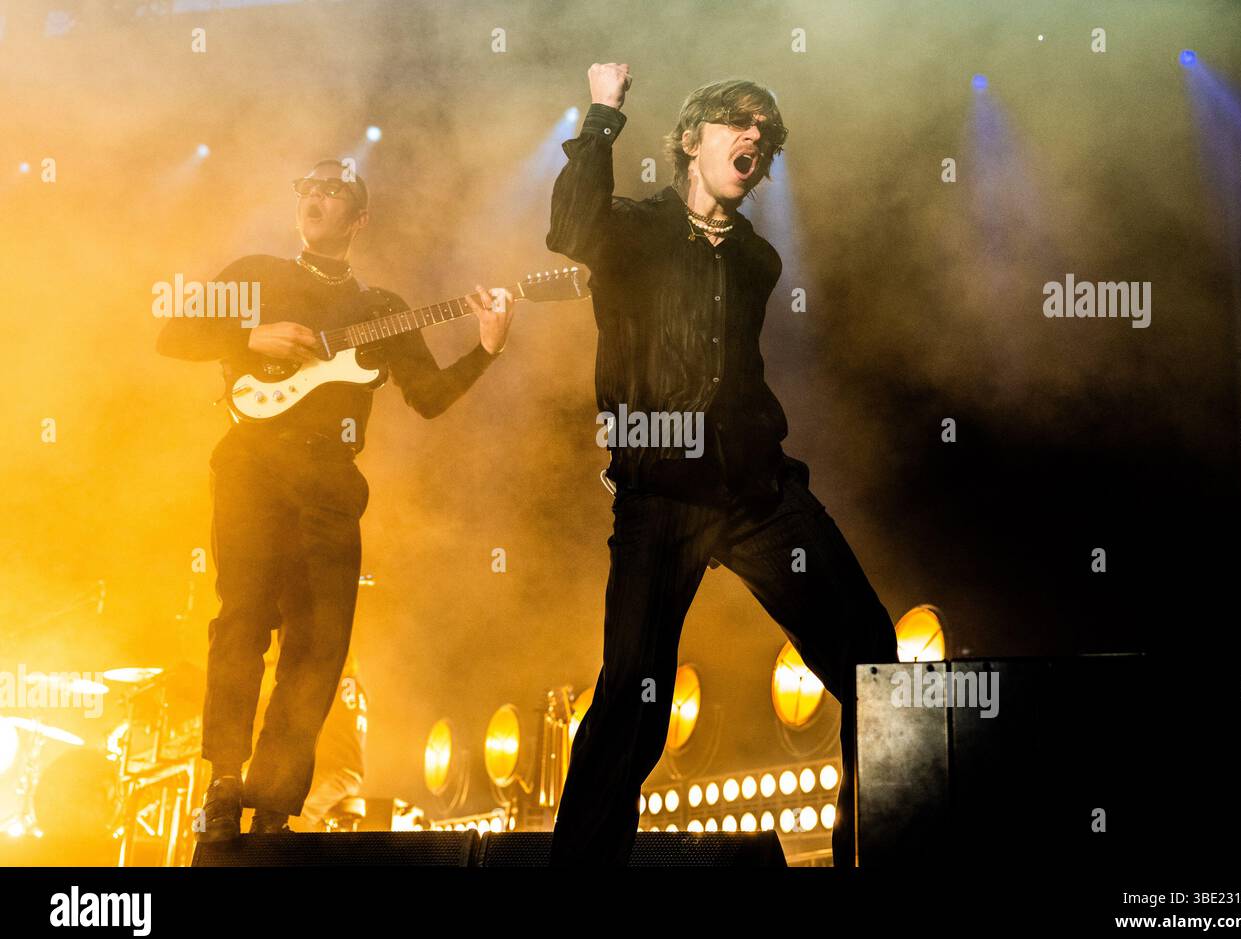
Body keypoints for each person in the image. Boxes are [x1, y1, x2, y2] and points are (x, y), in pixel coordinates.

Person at [545, 66, 897, 866]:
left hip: (756, 491)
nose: (754, 137)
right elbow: (568, 229)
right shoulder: (628, 231)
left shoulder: (757, 262)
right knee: (634, 698)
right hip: (660, 495)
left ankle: (872, 854)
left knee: (878, 668)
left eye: (764, 133)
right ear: (690, 140)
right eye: (737, 123)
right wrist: (603, 113)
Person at [158, 159, 514, 840]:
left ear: (359, 219)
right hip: (252, 464)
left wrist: (487, 348)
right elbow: (171, 335)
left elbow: (430, 399)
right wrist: (246, 337)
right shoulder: (256, 273)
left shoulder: (381, 310)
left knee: (319, 646)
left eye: (334, 194)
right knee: (241, 621)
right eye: (309, 191)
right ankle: (225, 782)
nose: (317, 200)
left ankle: (272, 804)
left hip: (330, 481)